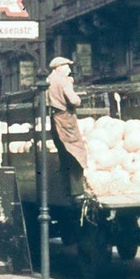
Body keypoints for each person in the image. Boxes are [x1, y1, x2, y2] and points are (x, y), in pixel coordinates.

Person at [45, 56, 88, 198]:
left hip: (55, 119)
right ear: (59, 68)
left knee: (63, 154)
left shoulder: (49, 80)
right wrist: (77, 96)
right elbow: (74, 100)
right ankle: (78, 191)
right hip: (66, 119)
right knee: (75, 153)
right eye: (67, 66)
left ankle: (66, 190)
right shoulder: (63, 81)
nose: (69, 69)